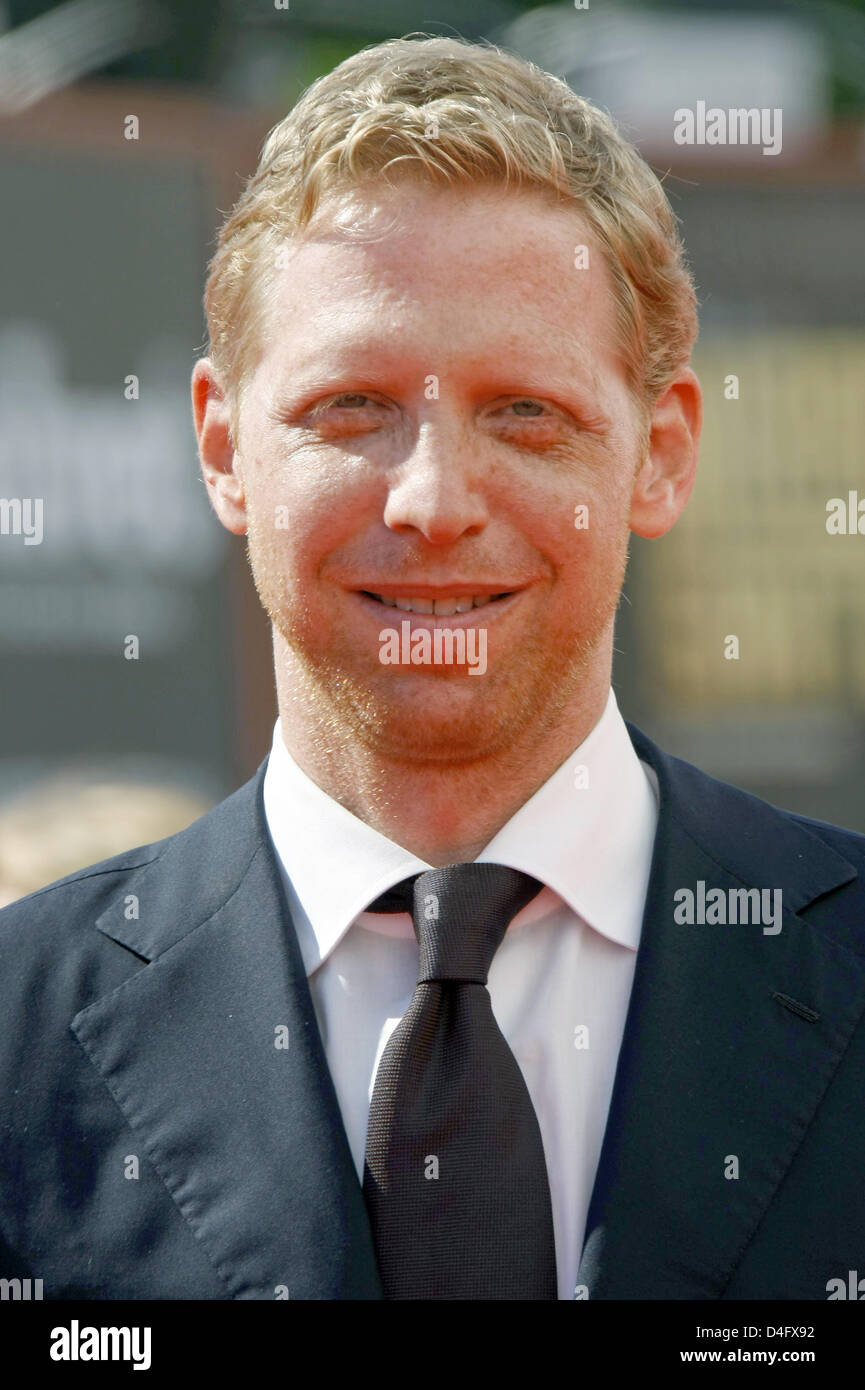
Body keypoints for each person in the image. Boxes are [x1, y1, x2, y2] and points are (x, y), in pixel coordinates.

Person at [1, 34, 864, 1303]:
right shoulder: (19, 1042)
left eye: (525, 412)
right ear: (225, 448)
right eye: (350, 409)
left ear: (661, 454)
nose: (434, 498)